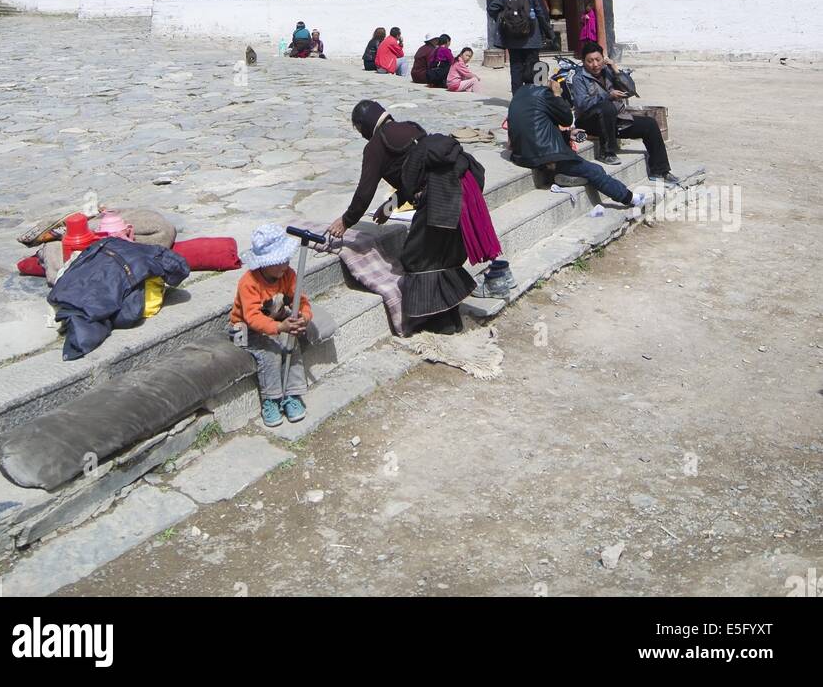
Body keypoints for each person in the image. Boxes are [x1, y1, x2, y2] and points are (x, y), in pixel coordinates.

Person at [327, 101, 512, 328]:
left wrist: (346, 221)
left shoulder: (376, 146)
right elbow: (413, 174)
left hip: (442, 194)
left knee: (418, 257)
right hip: (464, 183)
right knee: (444, 255)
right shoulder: (411, 127)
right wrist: (389, 207)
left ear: (363, 125)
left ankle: (439, 322)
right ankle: (450, 318)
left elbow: (365, 193)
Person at [507, 67, 649, 208]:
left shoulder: (518, 95)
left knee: (594, 170)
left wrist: (567, 134)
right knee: (595, 171)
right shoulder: (545, 94)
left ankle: (560, 175)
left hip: (523, 156)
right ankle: (631, 198)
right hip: (546, 156)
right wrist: (557, 94)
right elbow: (567, 119)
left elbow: (536, 127)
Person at [228, 224, 316, 428]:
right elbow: (252, 318)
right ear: (263, 263)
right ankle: (272, 399)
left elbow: (302, 301)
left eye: (286, 259)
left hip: (276, 322)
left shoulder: (289, 275)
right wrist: (280, 328)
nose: (284, 265)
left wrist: (304, 317)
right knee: (270, 353)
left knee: (291, 344)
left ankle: (292, 395)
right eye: (278, 261)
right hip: (246, 329)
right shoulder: (248, 282)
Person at [571, 40, 679, 184]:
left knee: (650, 125)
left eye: (598, 60)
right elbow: (582, 104)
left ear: (603, 59)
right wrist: (607, 96)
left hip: (613, 120)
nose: (595, 64)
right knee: (606, 106)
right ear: (584, 62)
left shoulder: (608, 72)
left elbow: (630, 91)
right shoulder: (579, 78)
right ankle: (607, 152)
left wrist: (615, 70)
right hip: (589, 122)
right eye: (590, 61)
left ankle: (660, 170)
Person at [487, 0, 554, 93]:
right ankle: (535, 96)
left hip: (512, 38)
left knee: (516, 68)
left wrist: (505, 21)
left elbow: (492, 8)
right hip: (532, 37)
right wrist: (548, 32)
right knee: (534, 67)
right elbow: (541, 13)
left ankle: (517, 99)